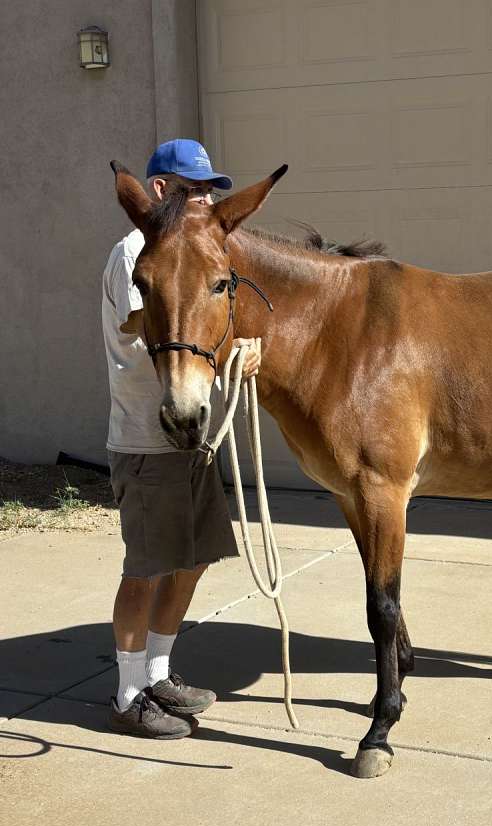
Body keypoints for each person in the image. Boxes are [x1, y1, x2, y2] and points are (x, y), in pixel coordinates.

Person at [101, 139, 261, 739]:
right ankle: (126, 693)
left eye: (210, 192)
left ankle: (159, 673)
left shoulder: (190, 251)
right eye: (194, 191)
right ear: (161, 192)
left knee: (190, 561)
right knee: (144, 569)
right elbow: (157, 328)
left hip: (191, 438)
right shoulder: (135, 253)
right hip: (147, 436)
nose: (205, 201)